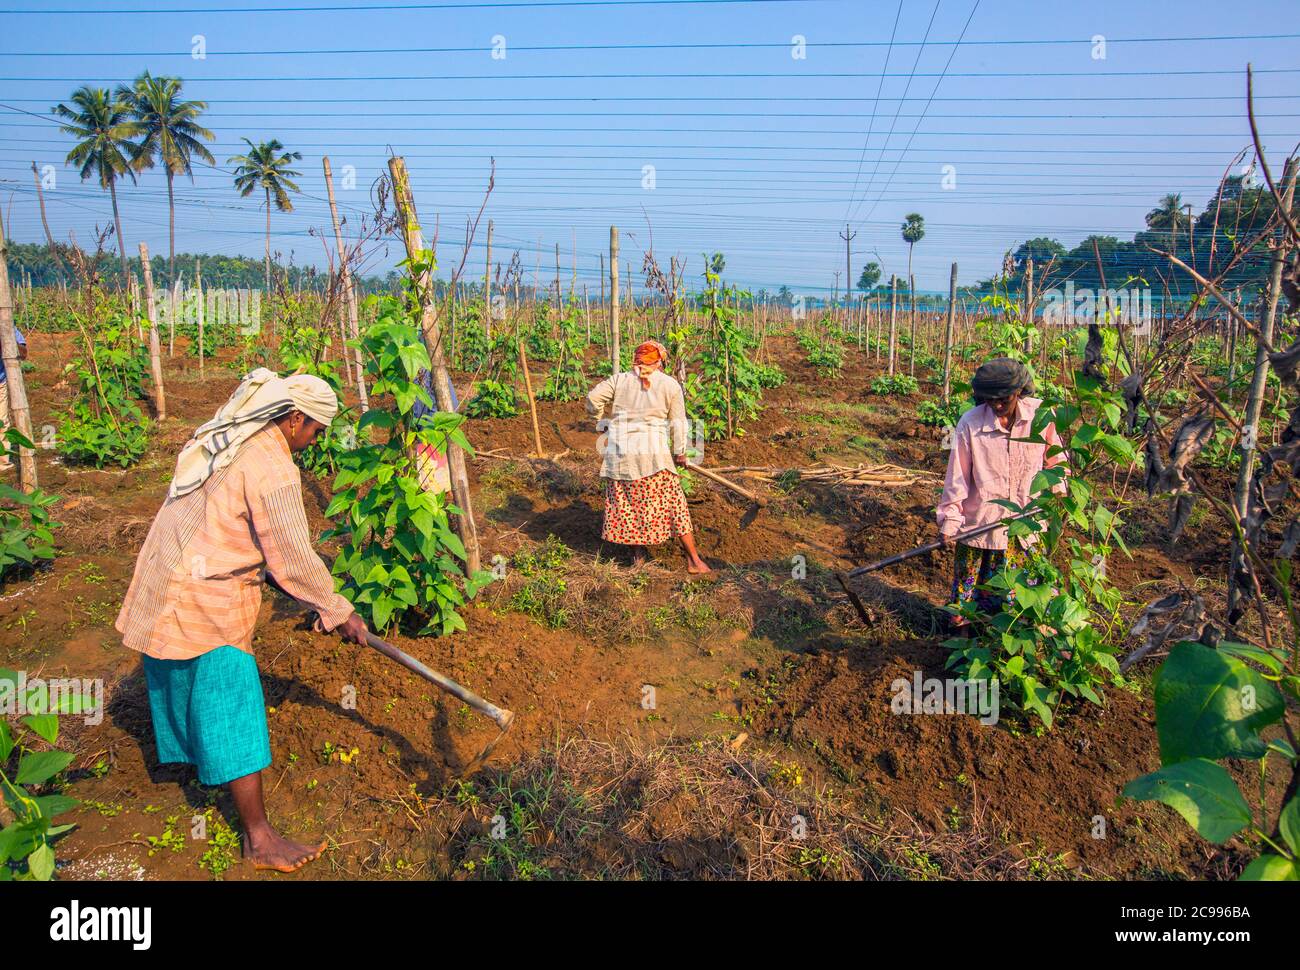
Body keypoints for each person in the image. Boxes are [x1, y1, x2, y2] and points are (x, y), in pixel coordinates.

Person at [116, 368, 369, 874]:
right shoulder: (271, 464)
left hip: (171, 570)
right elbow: (292, 554)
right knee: (231, 699)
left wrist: (290, 584)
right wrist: (337, 608)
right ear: (294, 419)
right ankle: (259, 837)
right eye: (315, 431)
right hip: (204, 592)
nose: (313, 442)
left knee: (185, 679)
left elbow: (241, 528)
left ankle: (197, 763)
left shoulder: (231, 436)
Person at [936, 357, 1066, 627]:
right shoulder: (970, 423)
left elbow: (1056, 462)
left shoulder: (1041, 416)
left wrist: (1057, 491)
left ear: (1018, 392)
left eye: (1003, 400)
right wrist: (949, 519)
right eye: (989, 399)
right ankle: (963, 654)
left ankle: (1012, 653)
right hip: (979, 528)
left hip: (1025, 527)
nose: (996, 405)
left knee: (1023, 602)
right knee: (968, 605)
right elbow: (956, 476)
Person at [586, 340, 710, 573]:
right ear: (659, 362)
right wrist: (680, 452)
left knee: (629, 508)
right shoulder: (669, 385)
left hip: (621, 459)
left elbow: (593, 399)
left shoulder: (619, 380)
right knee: (675, 508)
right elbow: (678, 423)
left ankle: (638, 556)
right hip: (654, 460)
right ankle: (693, 561)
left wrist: (601, 420)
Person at [0, 324, 28, 472]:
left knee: (1, 421)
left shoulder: (6, 325)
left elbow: (23, 354)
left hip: (0, 381)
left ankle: (2, 462)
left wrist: (8, 339)